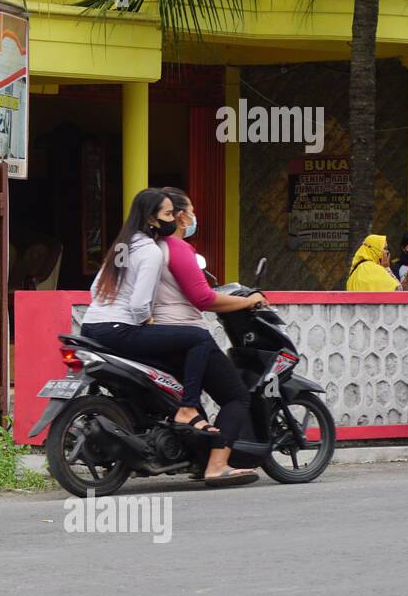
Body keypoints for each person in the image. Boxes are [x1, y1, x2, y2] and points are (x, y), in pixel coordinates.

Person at [80, 188, 224, 437]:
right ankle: (189, 408)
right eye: (168, 214)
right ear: (150, 219)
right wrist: (146, 319)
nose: (173, 219)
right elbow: (138, 305)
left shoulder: (123, 246)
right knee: (198, 338)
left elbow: (95, 289)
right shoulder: (150, 251)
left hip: (91, 326)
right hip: (119, 329)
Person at [155, 188, 268, 486]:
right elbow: (204, 298)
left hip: (160, 335)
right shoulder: (177, 248)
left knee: (194, 403)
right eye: (190, 211)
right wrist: (247, 300)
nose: (194, 218)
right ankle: (217, 465)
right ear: (180, 216)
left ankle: (198, 459)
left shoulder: (152, 248)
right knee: (236, 396)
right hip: (186, 332)